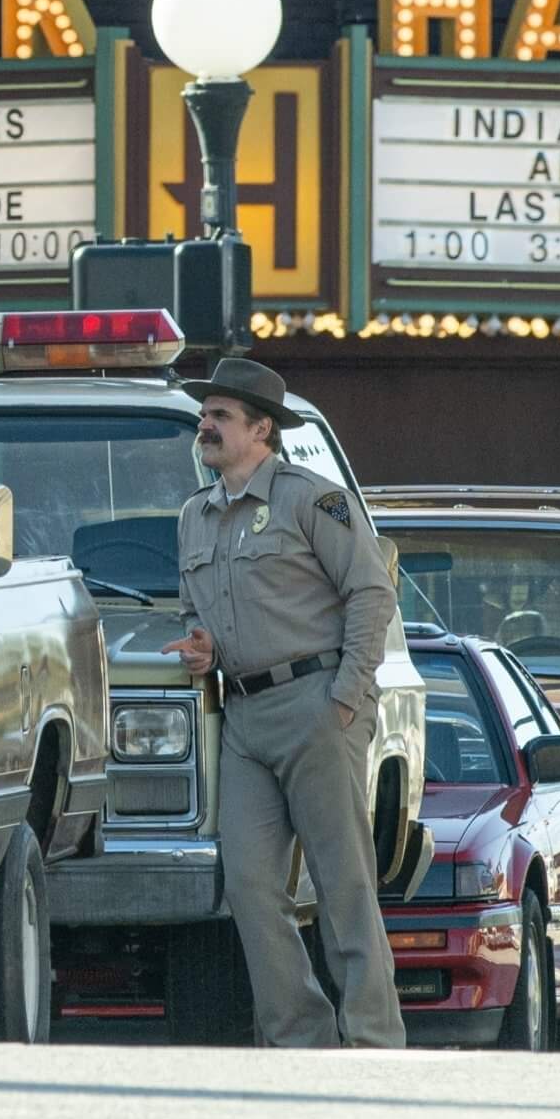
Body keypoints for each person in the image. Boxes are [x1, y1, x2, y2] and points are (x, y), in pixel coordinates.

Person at [160, 357, 405, 1049]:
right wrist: (203, 649)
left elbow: (371, 592)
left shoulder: (312, 498)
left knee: (343, 883)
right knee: (248, 883)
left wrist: (346, 697)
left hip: (316, 704)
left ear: (261, 428)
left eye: (221, 416)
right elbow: (197, 618)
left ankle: (373, 1039)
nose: (205, 426)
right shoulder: (194, 516)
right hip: (242, 716)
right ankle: (301, 1039)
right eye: (205, 414)